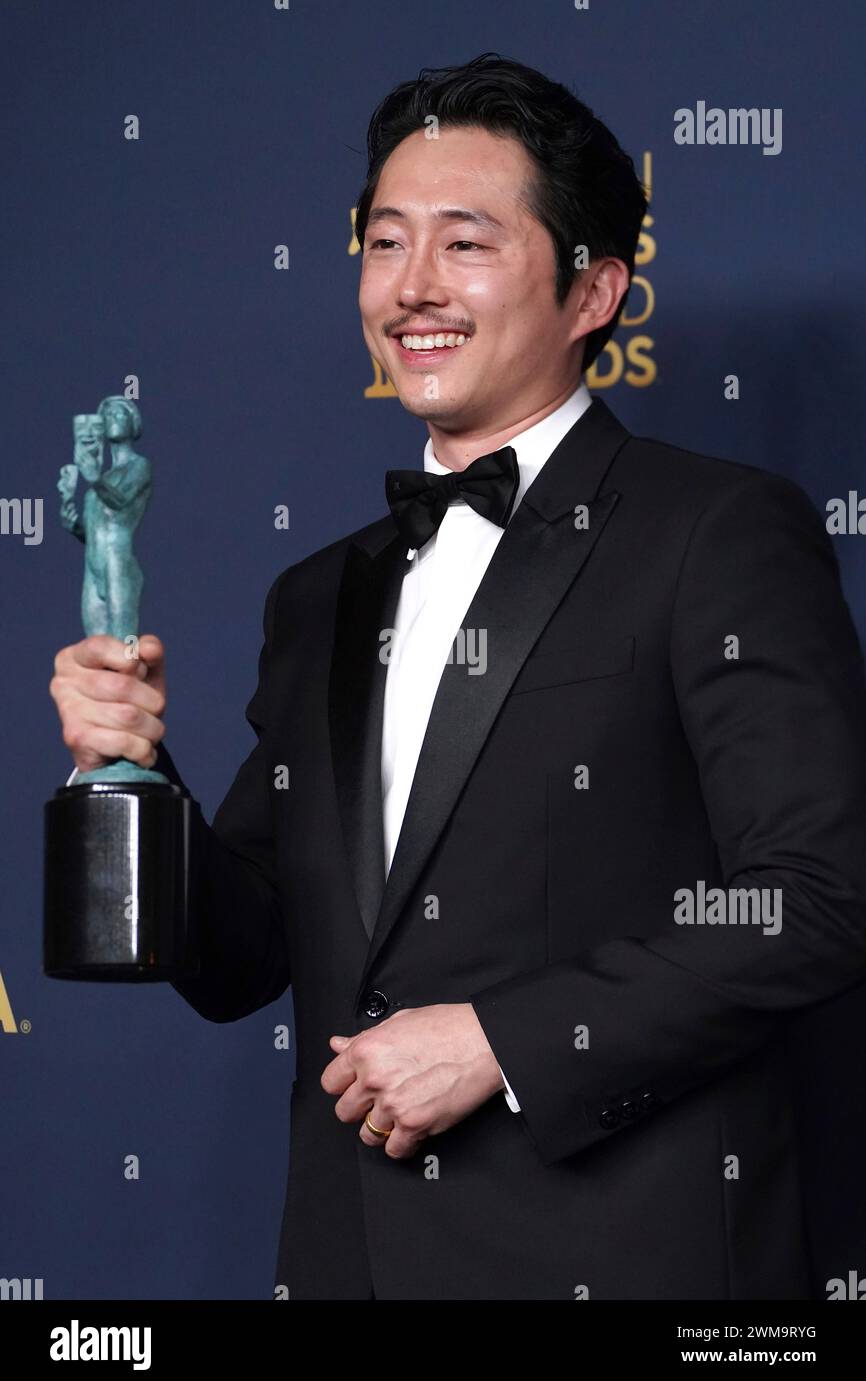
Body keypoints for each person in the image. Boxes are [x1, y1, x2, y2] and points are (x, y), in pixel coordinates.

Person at [49, 53, 866, 1300]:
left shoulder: (714, 532)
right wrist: (130, 769)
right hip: (349, 1265)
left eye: (464, 243)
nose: (411, 288)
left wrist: (504, 1040)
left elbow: (813, 898)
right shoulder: (319, 594)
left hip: (623, 1261)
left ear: (593, 290)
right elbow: (243, 954)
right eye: (384, 243)